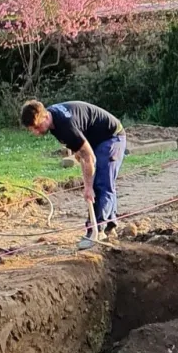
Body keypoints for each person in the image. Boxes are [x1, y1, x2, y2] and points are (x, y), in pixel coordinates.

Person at [21, 99, 127, 247]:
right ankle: (110, 227)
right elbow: (82, 152)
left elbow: (88, 157)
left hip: (111, 137)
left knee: (101, 184)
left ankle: (96, 231)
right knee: (101, 182)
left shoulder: (65, 125)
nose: (36, 132)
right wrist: (80, 154)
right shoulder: (53, 121)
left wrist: (88, 187)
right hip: (95, 138)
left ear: (45, 116)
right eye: (32, 129)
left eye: (37, 127)